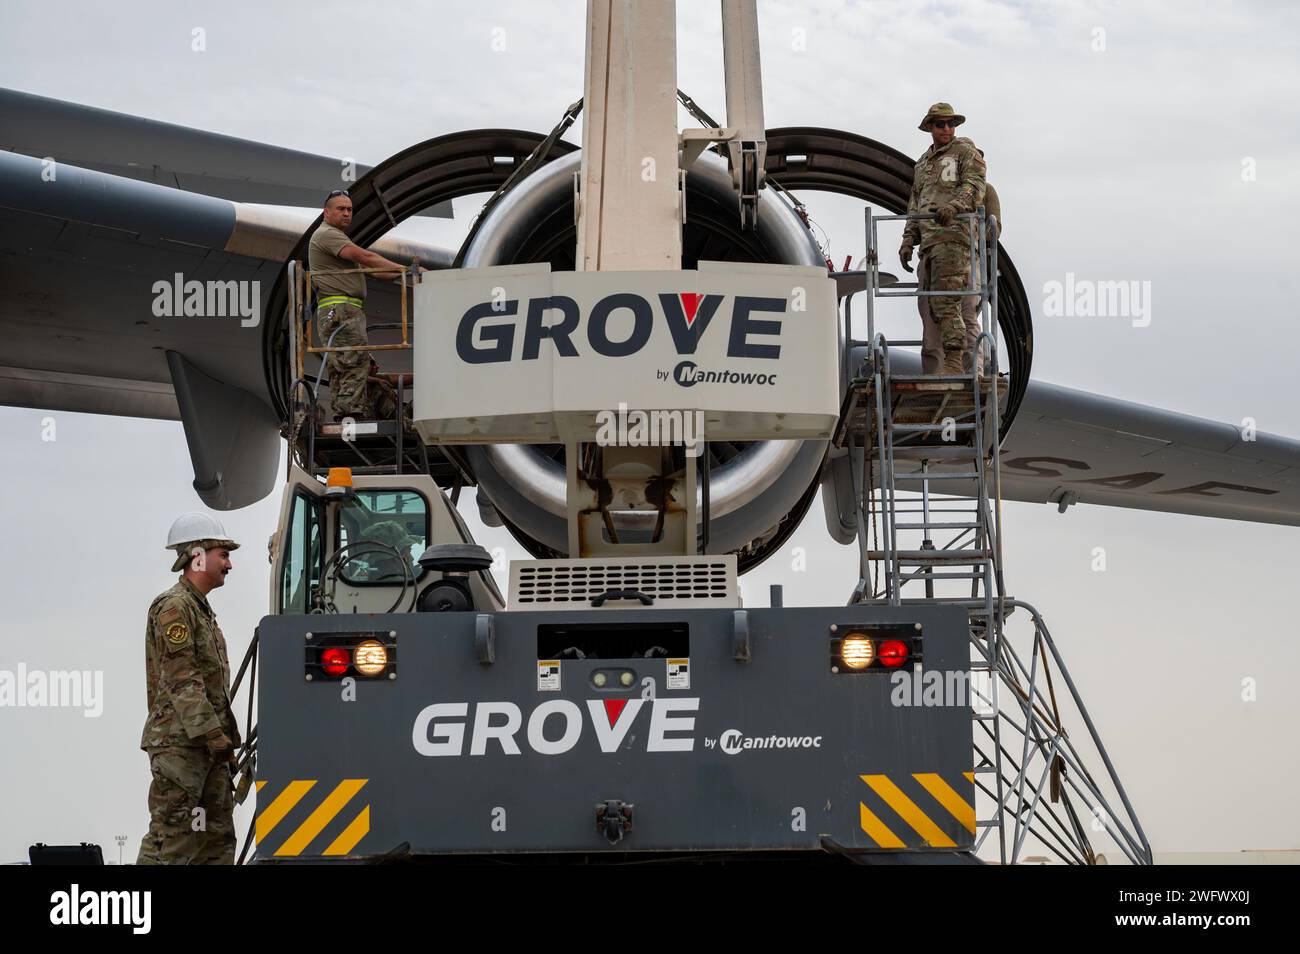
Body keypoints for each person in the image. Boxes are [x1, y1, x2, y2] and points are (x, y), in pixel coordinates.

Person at [136, 513, 242, 865]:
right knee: (173, 839)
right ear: (198, 556)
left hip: (206, 747)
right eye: (222, 554)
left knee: (216, 840)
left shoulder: (201, 610)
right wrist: (214, 736)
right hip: (182, 746)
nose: (229, 563)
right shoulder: (175, 608)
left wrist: (221, 740)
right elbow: (183, 680)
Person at [308, 189, 413, 422]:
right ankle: (350, 415)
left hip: (340, 309)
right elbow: (367, 258)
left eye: (349, 210)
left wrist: (402, 276)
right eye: (341, 209)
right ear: (326, 212)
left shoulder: (333, 237)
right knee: (352, 363)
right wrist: (408, 272)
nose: (347, 214)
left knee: (343, 365)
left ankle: (346, 412)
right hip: (341, 309)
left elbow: (374, 270)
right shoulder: (328, 234)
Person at [898, 103, 987, 376]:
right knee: (931, 310)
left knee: (949, 303)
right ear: (930, 128)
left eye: (951, 124)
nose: (947, 129)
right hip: (929, 245)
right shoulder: (923, 164)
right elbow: (916, 204)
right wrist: (908, 240)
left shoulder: (964, 152)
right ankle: (937, 372)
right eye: (940, 124)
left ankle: (959, 366)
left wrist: (956, 207)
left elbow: (975, 185)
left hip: (953, 239)